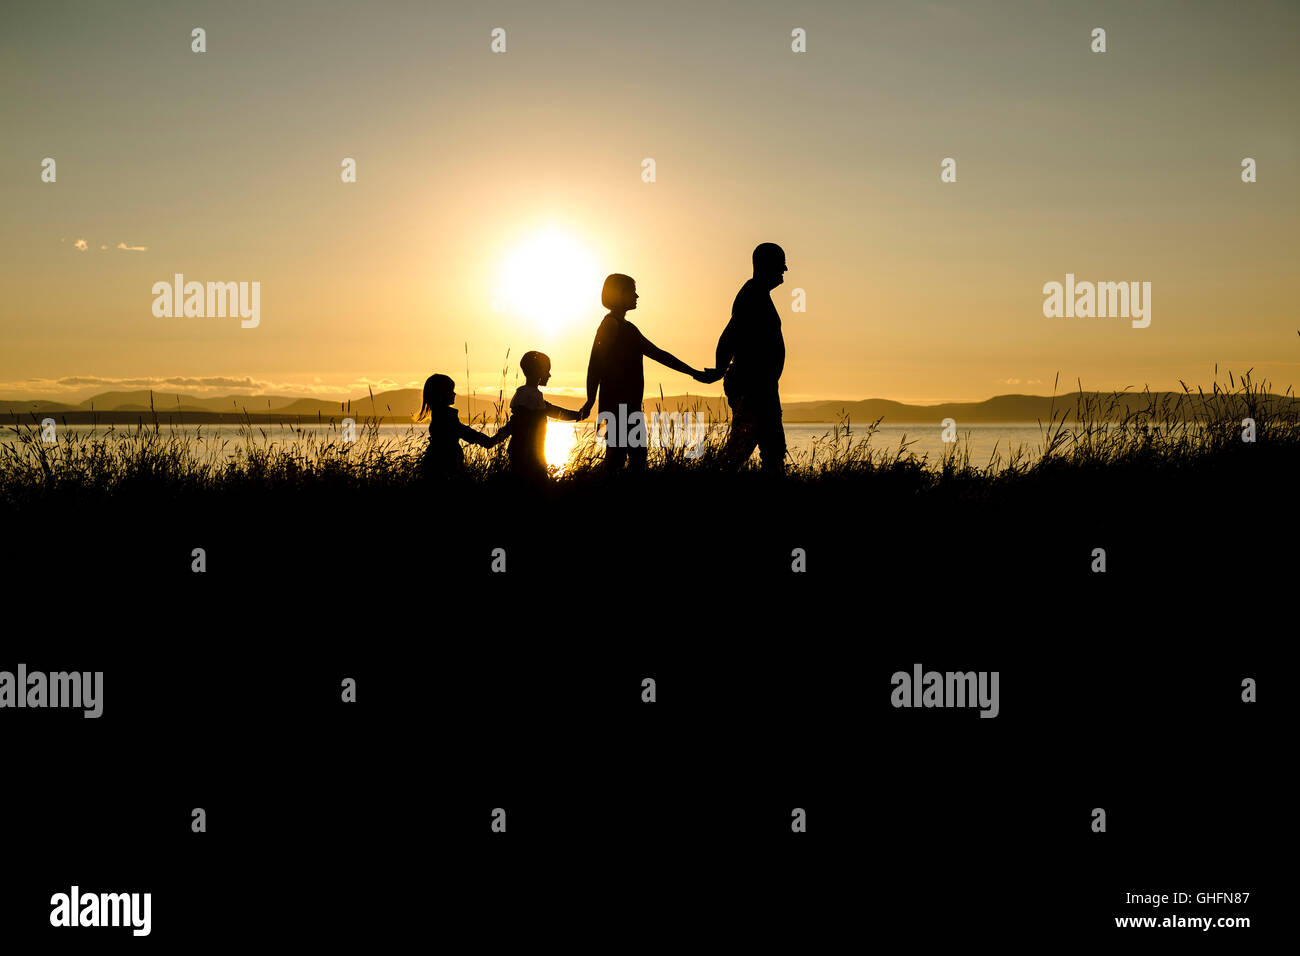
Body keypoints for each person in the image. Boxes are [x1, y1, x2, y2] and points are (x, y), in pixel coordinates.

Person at [581, 273, 717, 470]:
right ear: (619, 293)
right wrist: (590, 399)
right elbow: (595, 363)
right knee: (618, 459)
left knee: (634, 458)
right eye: (632, 291)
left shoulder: (628, 328)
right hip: (615, 407)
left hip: (630, 407)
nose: (637, 296)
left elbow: (659, 354)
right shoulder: (610, 325)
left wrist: (694, 372)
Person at [714, 243, 788, 473]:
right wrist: (719, 369)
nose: (785, 269)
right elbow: (729, 335)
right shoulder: (753, 295)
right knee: (740, 449)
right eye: (780, 263)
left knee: (773, 449)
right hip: (752, 386)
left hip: (762, 386)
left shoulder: (758, 294)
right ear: (766, 265)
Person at [506, 351, 584, 480]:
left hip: (524, 454)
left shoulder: (526, 395)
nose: (549, 375)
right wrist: (579, 415)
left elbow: (553, 411)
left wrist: (578, 415)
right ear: (538, 372)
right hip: (529, 457)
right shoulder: (530, 396)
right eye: (546, 371)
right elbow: (551, 412)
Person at [417, 373, 506, 478]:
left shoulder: (438, 416)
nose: (454, 394)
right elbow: (478, 438)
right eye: (450, 390)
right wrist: (506, 431)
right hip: (447, 471)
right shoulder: (447, 418)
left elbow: (472, 435)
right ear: (441, 394)